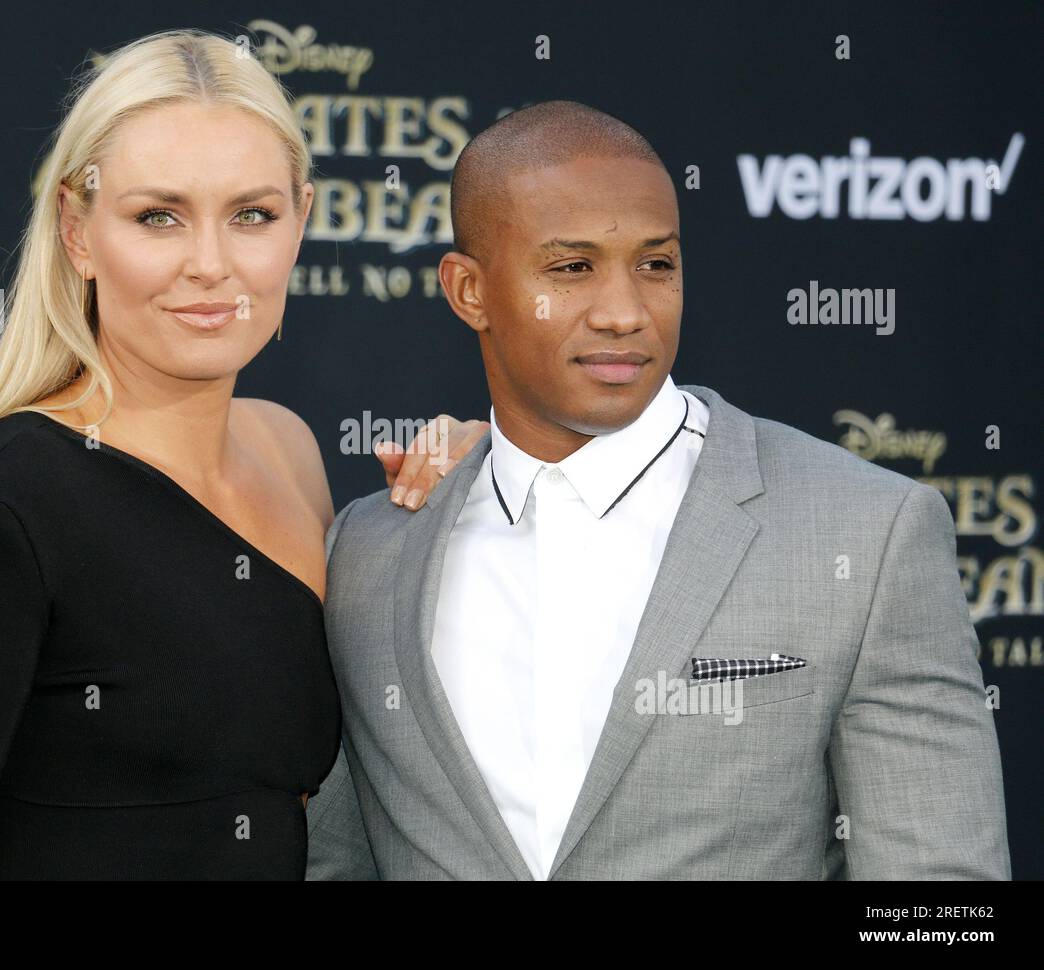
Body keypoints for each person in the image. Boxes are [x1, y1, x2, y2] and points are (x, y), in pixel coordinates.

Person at [305, 100, 1011, 880]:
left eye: (656, 265)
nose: (624, 313)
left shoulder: (863, 533)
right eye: (572, 268)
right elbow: (338, 865)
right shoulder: (371, 551)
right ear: (469, 291)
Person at [0, 29, 484, 881]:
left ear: (302, 219)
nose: (211, 266)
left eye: (252, 215)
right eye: (159, 217)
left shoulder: (288, 448)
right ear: (78, 231)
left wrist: (470, 493)